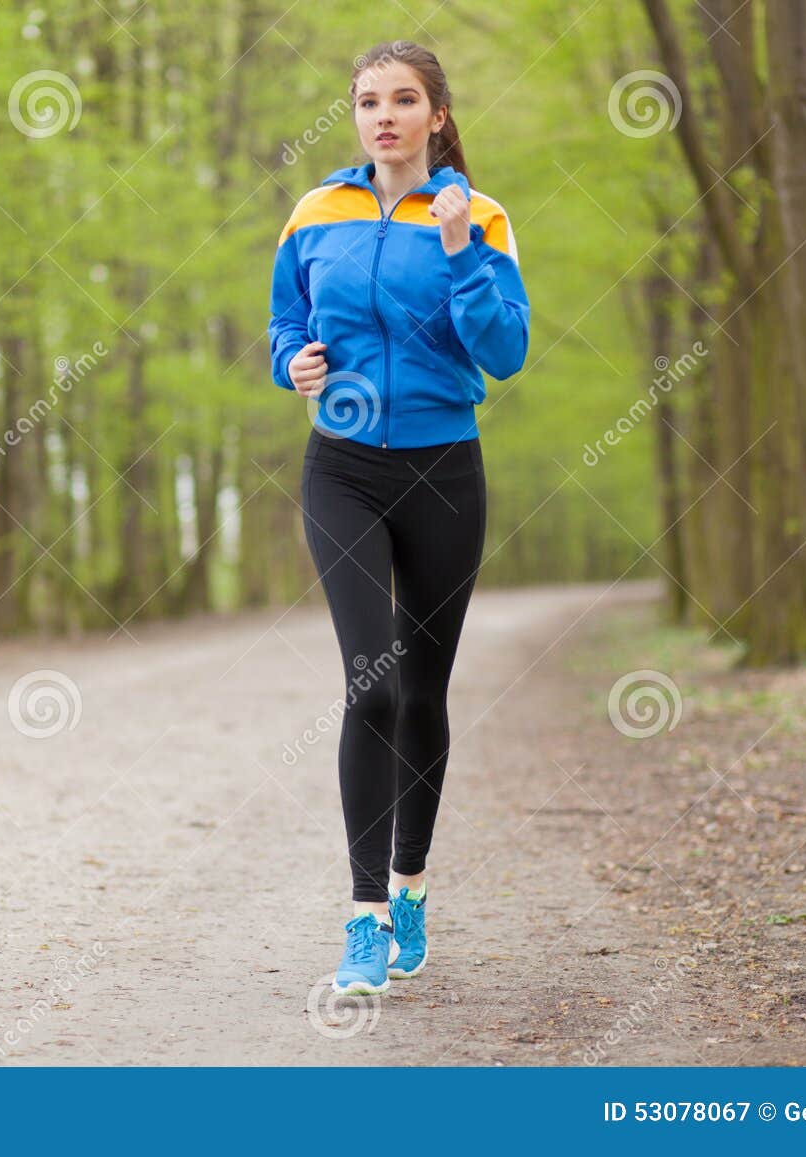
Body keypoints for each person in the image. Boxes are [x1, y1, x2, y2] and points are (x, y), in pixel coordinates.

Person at [266, 40, 530, 995]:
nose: (384, 114)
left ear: (437, 116)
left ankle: (412, 885)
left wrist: (460, 250)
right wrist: (292, 361)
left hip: (443, 470)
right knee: (369, 684)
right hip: (341, 468)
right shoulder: (317, 212)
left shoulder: (482, 216)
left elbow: (504, 350)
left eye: (404, 99)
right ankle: (365, 913)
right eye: (369, 100)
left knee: (422, 692)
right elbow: (286, 323)